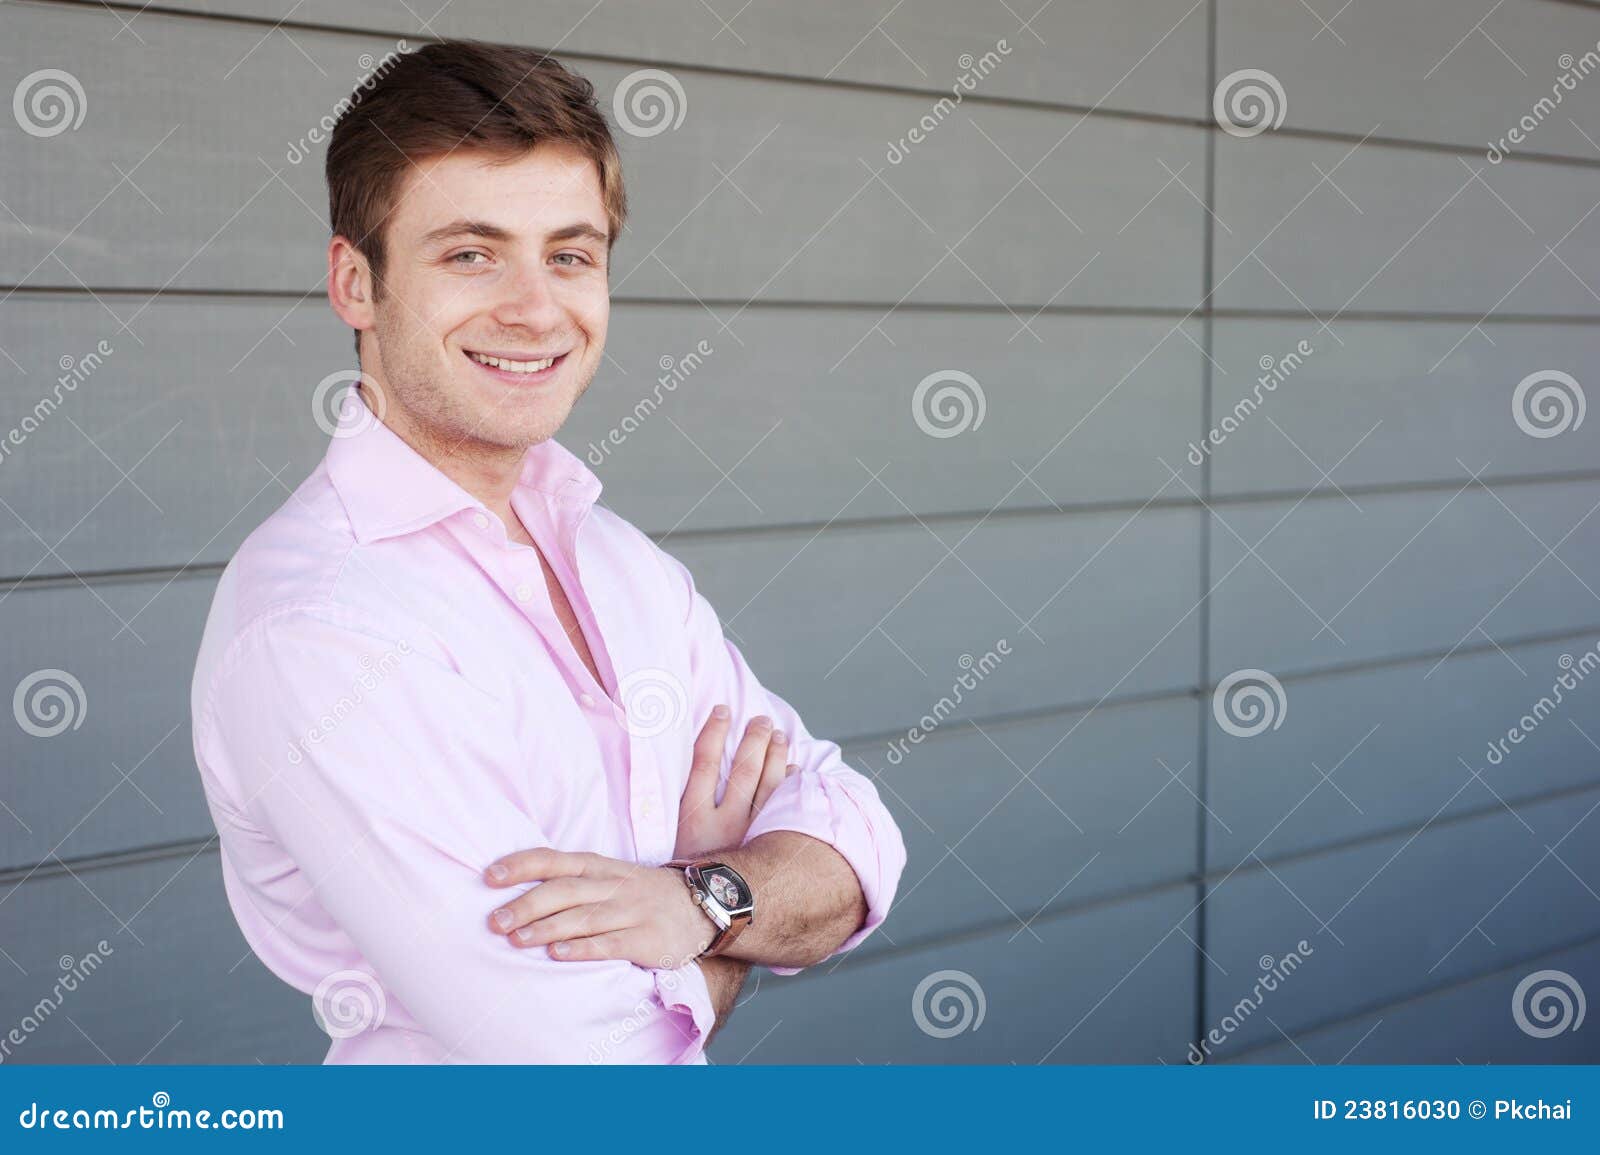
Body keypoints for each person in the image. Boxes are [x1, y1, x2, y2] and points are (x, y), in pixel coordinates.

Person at [188, 39, 906, 1064]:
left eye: (569, 254)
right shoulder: (323, 623)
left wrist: (700, 896)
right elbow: (580, 1057)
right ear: (356, 282)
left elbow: (859, 841)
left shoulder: (621, 563)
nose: (535, 309)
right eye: (470, 253)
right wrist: (735, 931)